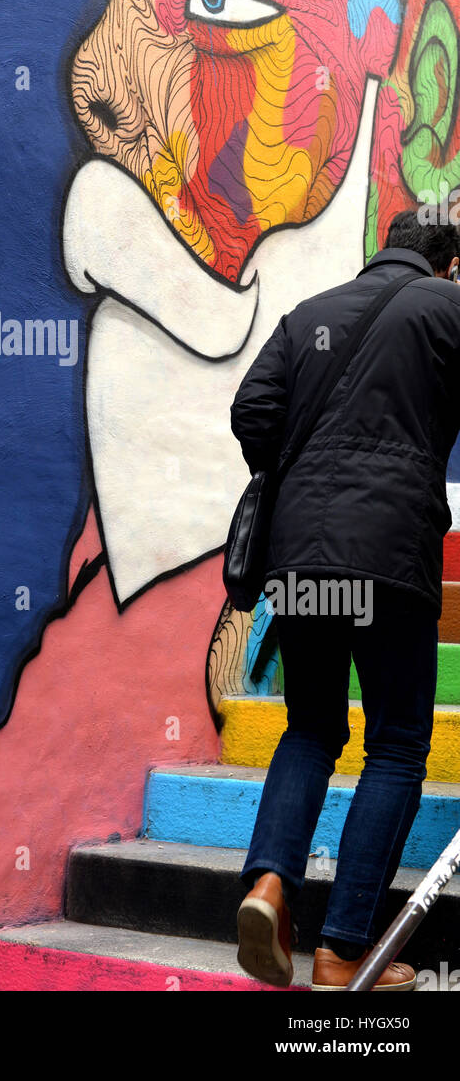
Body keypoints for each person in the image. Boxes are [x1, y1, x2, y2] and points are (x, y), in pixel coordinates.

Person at [230, 211, 460, 991]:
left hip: (301, 555)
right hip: (389, 553)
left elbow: (250, 412)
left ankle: (268, 886)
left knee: (310, 727)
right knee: (394, 745)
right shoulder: (445, 308)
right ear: (446, 265)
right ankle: (340, 950)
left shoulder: (309, 315)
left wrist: (310, 477)